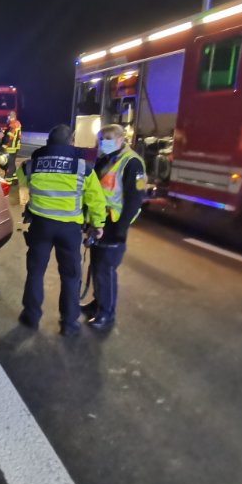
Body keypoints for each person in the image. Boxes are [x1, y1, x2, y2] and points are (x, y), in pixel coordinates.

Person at [20, 123, 106, 336]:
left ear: (48, 143)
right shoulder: (83, 168)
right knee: (70, 276)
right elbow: (95, 199)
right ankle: (69, 323)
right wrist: (98, 224)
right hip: (69, 230)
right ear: (71, 143)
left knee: (35, 272)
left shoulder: (32, 164)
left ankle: (30, 317)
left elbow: (22, 183)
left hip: (40, 227)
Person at [82, 124, 147, 331]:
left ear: (121, 139)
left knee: (105, 270)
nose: (104, 144)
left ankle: (106, 313)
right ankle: (97, 303)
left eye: (108, 139)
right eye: (102, 140)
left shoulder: (133, 163)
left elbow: (135, 199)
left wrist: (121, 229)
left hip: (114, 225)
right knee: (96, 265)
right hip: (99, 222)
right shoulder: (105, 159)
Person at [3, 110, 22, 183]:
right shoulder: (18, 123)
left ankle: (8, 180)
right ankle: (14, 177)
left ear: (10, 116)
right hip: (16, 146)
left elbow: (9, 137)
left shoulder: (12, 125)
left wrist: (4, 146)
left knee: (9, 163)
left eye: (8, 116)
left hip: (11, 146)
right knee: (13, 162)